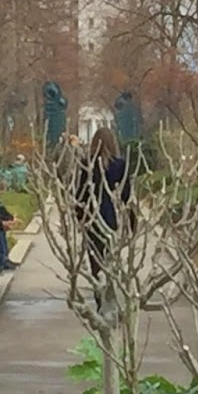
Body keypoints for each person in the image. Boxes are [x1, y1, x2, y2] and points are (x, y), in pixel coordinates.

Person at [73, 127, 132, 303]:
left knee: (94, 256)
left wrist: (79, 217)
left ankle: (99, 296)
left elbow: (80, 193)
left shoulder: (86, 162)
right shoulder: (119, 164)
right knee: (110, 256)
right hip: (109, 215)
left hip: (91, 215)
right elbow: (126, 195)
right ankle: (111, 295)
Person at [0, 198, 19, 271]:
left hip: (0, 225)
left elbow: (4, 213)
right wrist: (4, 223)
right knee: (0, 237)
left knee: (2, 235)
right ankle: (3, 261)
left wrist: (11, 219)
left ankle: (6, 258)